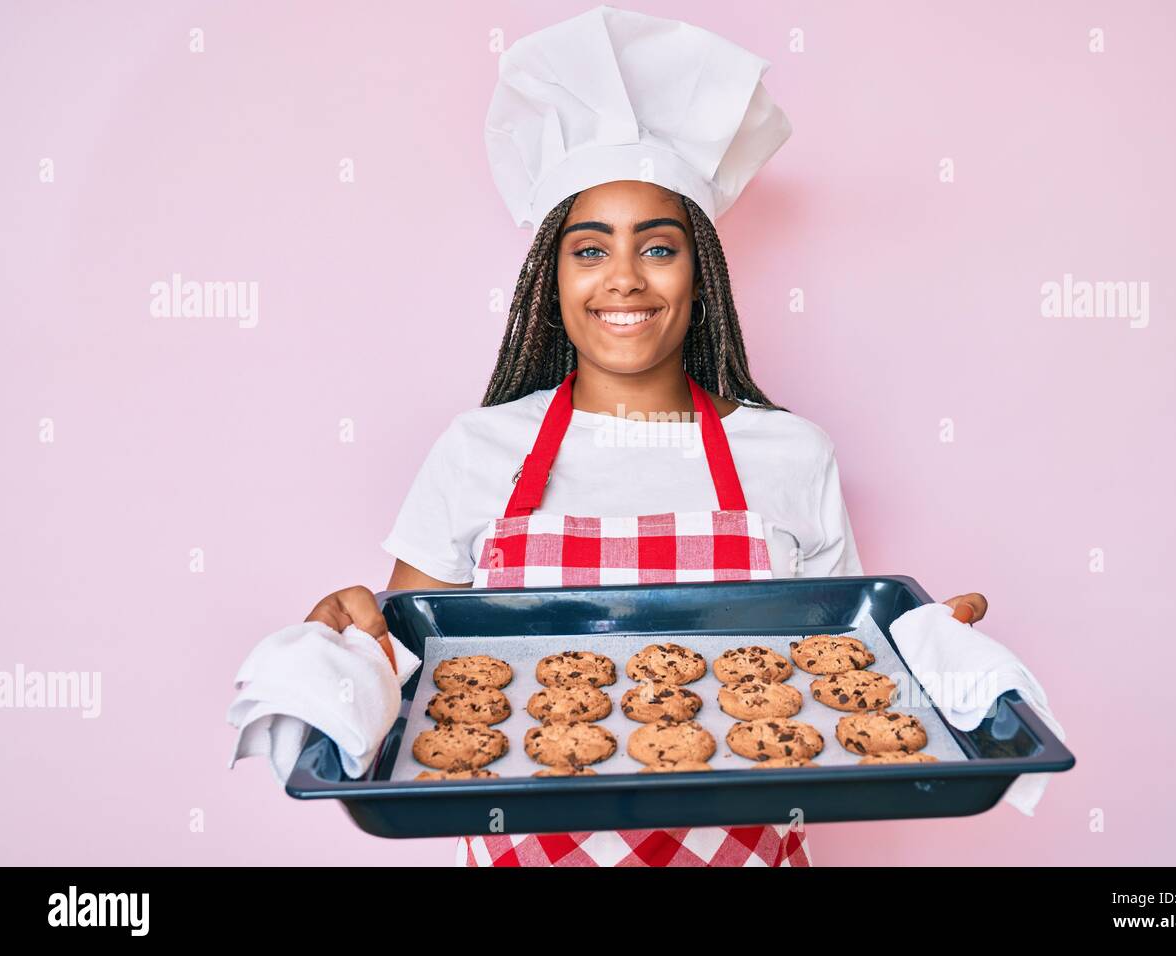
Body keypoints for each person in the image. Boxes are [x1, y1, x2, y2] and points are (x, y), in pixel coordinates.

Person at [304, 5, 987, 867]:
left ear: (701, 274)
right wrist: (340, 646)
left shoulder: (795, 454)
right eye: (589, 251)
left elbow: (840, 674)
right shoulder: (476, 450)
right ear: (548, 282)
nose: (623, 278)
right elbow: (399, 680)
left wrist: (927, 659)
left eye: (657, 248)